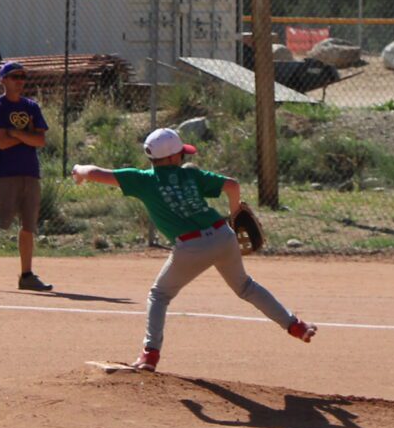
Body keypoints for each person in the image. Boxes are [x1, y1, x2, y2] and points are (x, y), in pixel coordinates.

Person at [72, 128, 315, 373]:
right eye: (180, 154)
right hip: (223, 235)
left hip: (191, 246)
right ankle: (295, 325)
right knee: (245, 287)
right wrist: (235, 213)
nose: (183, 158)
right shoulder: (191, 176)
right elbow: (232, 185)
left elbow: (93, 172)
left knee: (159, 295)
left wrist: (79, 170)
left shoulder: (143, 180)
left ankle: (149, 355)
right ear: (172, 158)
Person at [0, 60, 54, 292]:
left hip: (30, 172)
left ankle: (27, 275)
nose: (19, 81)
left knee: (28, 226)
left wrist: (15, 132)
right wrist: (25, 134)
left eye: (22, 77)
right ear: (3, 81)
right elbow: (2, 142)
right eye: (14, 77)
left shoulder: (31, 107)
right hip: (6, 173)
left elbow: (39, 141)